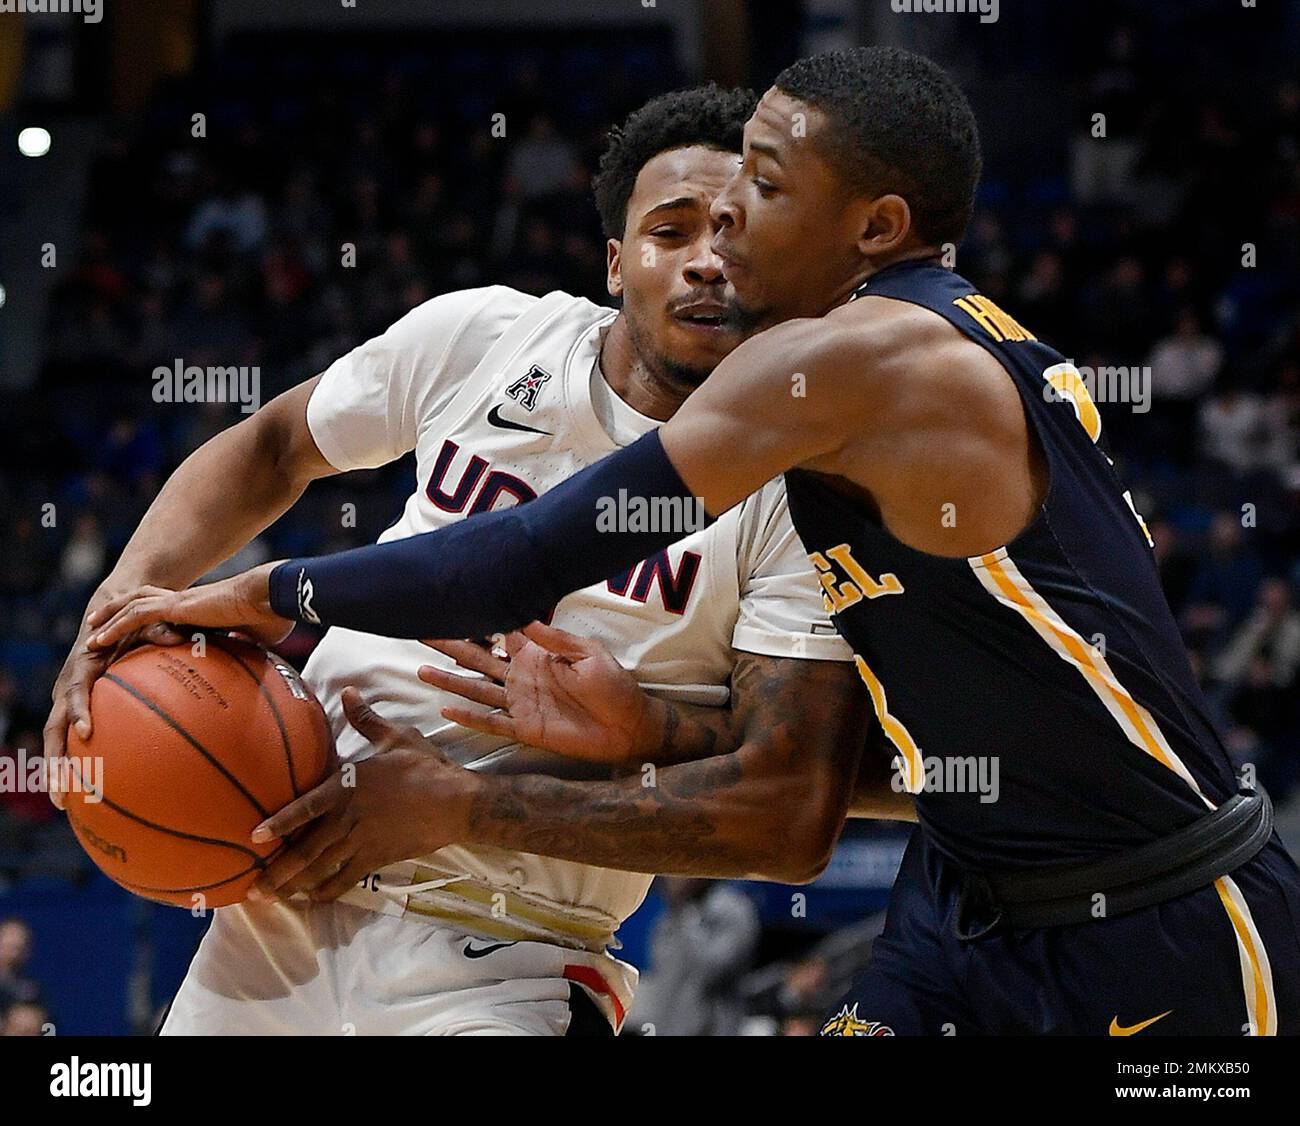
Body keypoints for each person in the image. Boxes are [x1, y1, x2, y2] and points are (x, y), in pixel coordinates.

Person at [88, 46, 1300, 1036]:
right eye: (688, 221)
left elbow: (522, 560)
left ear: (873, 226)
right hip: (964, 896)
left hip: (1161, 908)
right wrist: (662, 730)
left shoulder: (846, 368)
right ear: (612, 256)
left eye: (761, 194)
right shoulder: (816, 379)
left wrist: (281, 589)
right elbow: (925, 764)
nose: (725, 240)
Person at [46, 86, 904, 1036]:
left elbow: (785, 809)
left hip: (509, 954)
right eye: (671, 231)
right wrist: (116, 608)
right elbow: (274, 445)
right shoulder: (490, 337)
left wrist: (470, 804)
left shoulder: (803, 494)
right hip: (273, 913)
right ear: (618, 263)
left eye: (735, 235)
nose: (707, 261)